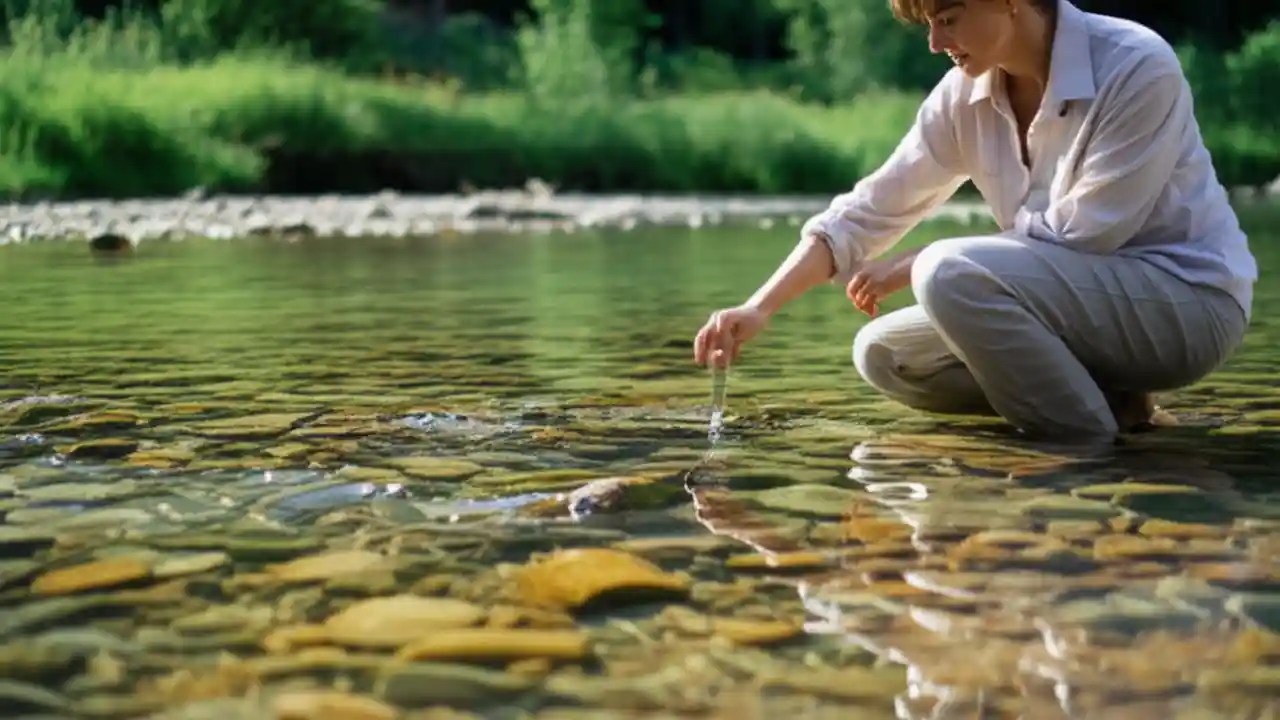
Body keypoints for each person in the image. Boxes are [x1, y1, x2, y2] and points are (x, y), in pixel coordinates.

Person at [692, 0, 1256, 444]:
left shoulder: (1136, 64)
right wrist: (759, 306)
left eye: (948, 18)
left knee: (946, 272)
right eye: (930, 24)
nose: (936, 42)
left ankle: (1082, 447)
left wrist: (913, 264)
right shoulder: (962, 99)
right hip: (1081, 307)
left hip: (1189, 304)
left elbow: (1088, 231)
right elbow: (867, 211)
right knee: (887, 356)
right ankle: (1118, 412)